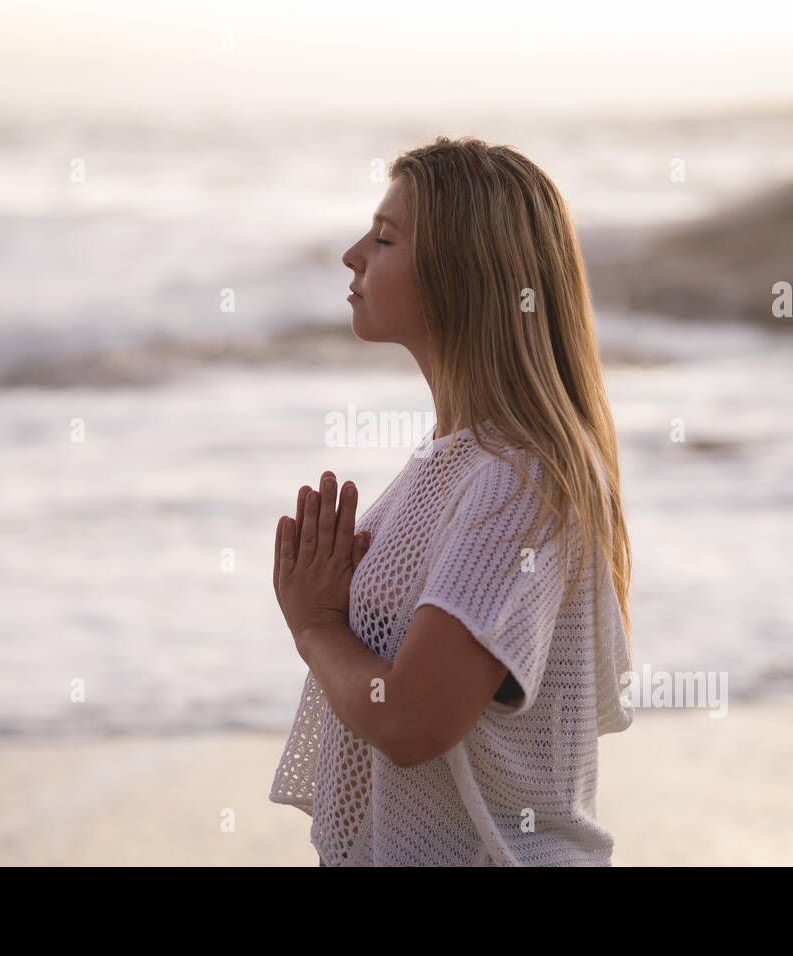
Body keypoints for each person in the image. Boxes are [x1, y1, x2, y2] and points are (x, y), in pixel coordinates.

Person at [270, 135, 634, 866]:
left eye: (383, 237)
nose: (352, 255)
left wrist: (315, 627)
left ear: (461, 274)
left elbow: (410, 721)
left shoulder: (518, 476)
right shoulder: (454, 462)